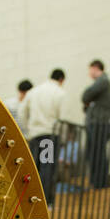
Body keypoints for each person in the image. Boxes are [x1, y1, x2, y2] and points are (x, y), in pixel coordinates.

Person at [21, 70, 68, 206]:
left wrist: (28, 129)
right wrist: (62, 137)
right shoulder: (59, 92)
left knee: (35, 169)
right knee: (47, 169)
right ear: (61, 80)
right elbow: (63, 118)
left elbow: (21, 111)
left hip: (34, 135)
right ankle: (46, 202)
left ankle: (31, 201)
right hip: (49, 136)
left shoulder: (33, 92)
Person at [81, 59, 110, 189]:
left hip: (99, 123)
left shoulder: (103, 81)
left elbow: (86, 95)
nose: (89, 72)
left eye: (90, 69)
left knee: (98, 153)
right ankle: (96, 182)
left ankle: (100, 183)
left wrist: (87, 100)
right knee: (93, 153)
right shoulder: (101, 83)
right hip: (95, 122)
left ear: (95, 67)